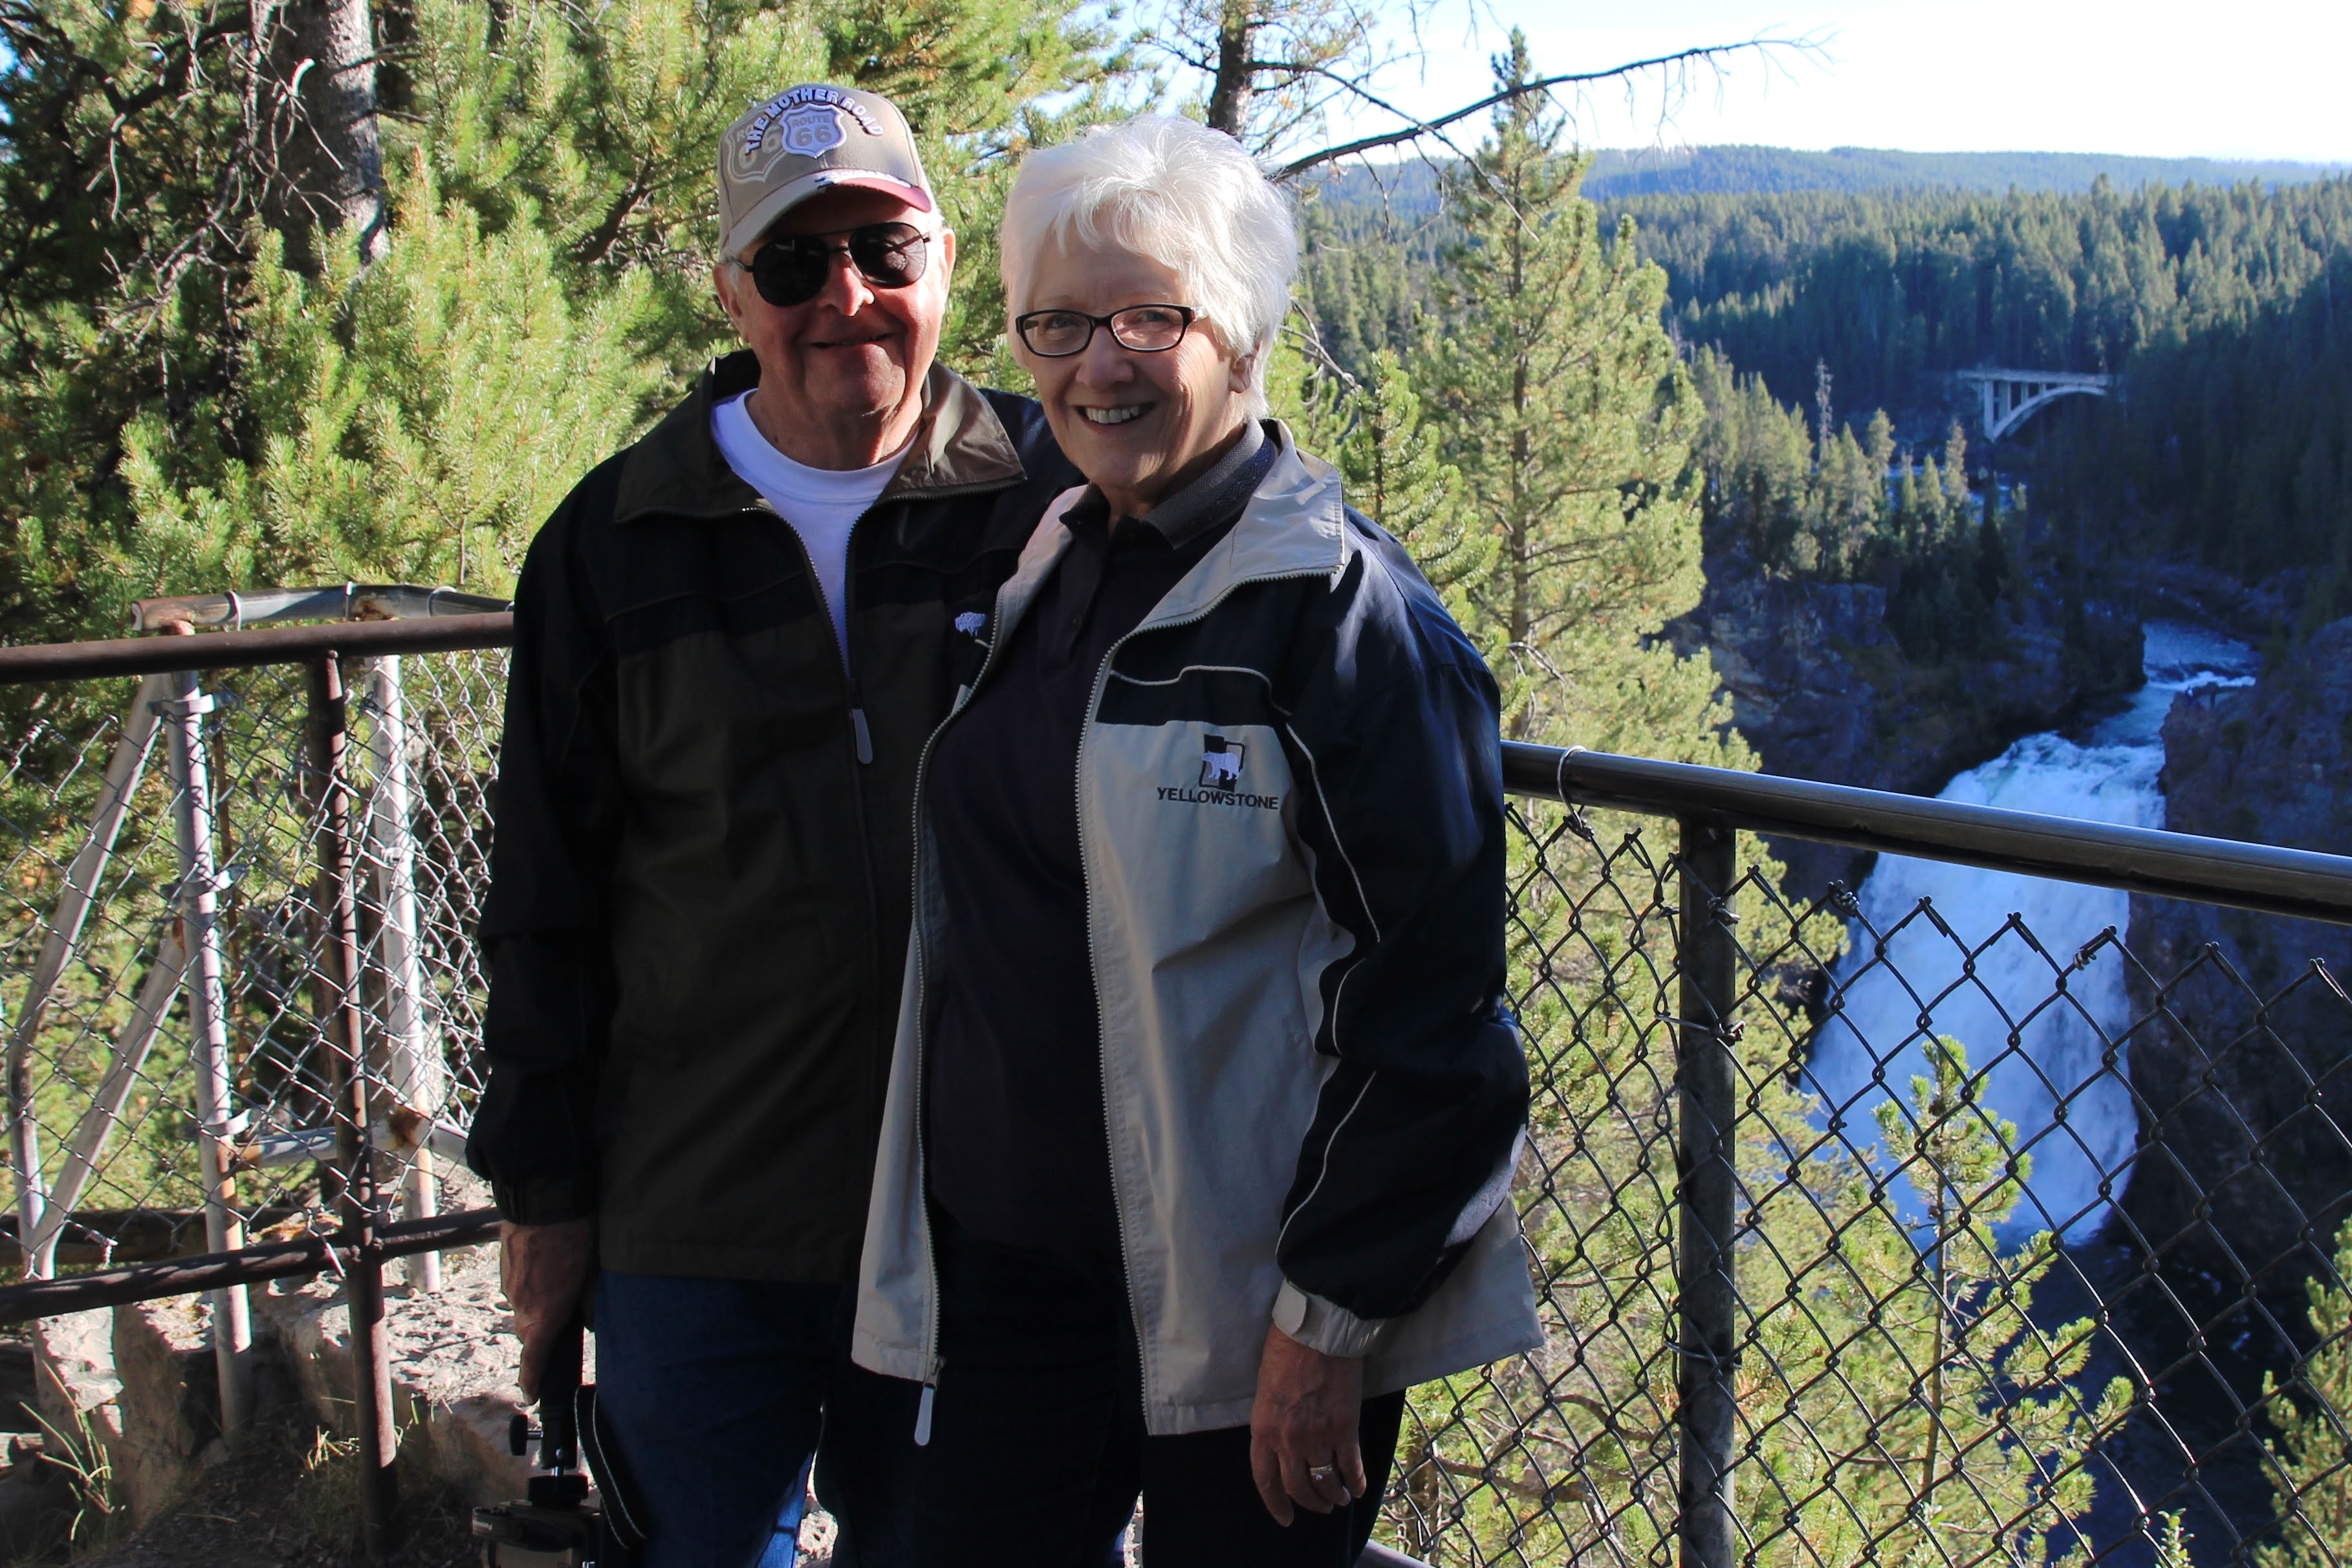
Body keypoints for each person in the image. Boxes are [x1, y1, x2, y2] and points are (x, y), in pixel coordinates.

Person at [851, 114, 1542, 1567]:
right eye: (1057, 322)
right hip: (1012, 1283)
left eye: (1146, 317)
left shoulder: (1342, 622)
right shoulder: (1055, 560)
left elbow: (1433, 1018)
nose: (1095, 364)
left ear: (1239, 330)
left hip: (1248, 1314)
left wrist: (1328, 1319)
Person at [467, 82, 1074, 1568]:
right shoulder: (614, 542)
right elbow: (543, 898)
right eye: (795, 265)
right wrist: (545, 1203)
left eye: (881, 249)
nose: (845, 300)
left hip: (978, 1218)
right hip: (697, 1223)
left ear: (942, 263)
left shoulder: (1056, 507)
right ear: (733, 290)